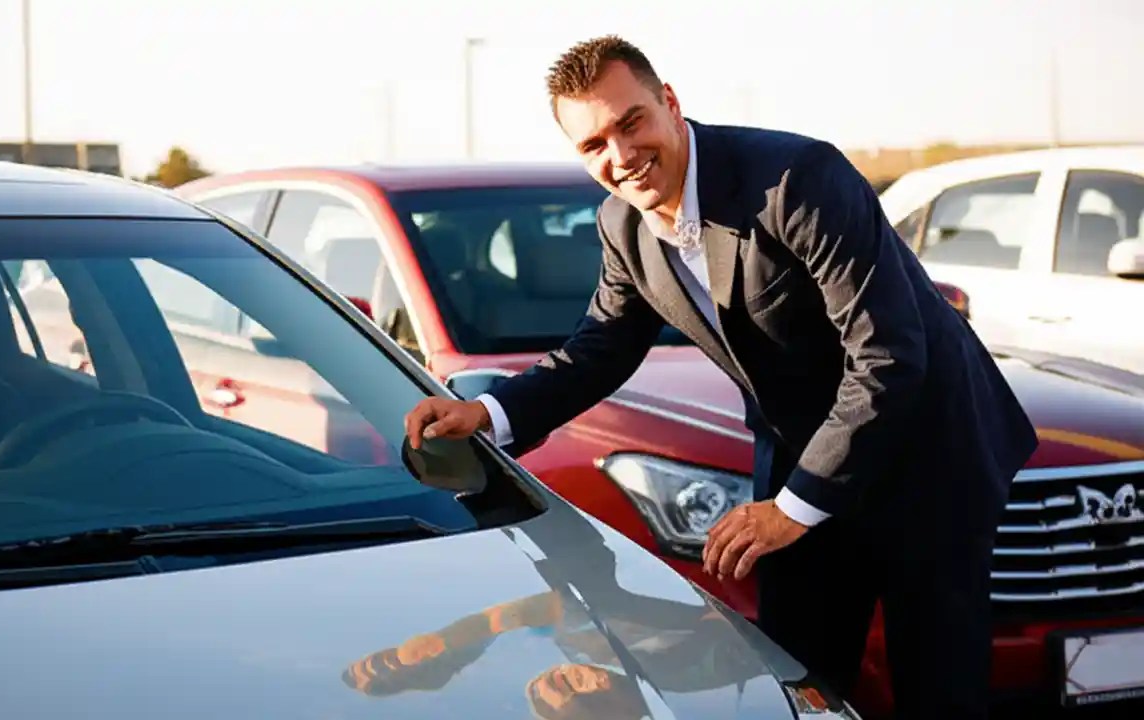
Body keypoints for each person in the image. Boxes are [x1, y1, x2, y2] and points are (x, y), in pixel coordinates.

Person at [403, 34, 1037, 719]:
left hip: (929, 454)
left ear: (669, 103)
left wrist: (791, 510)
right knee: (797, 679)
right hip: (803, 453)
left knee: (938, 690)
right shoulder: (624, 224)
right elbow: (602, 347)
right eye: (593, 146)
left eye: (631, 122)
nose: (620, 156)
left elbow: (887, 357)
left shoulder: (797, 178)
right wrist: (492, 415)